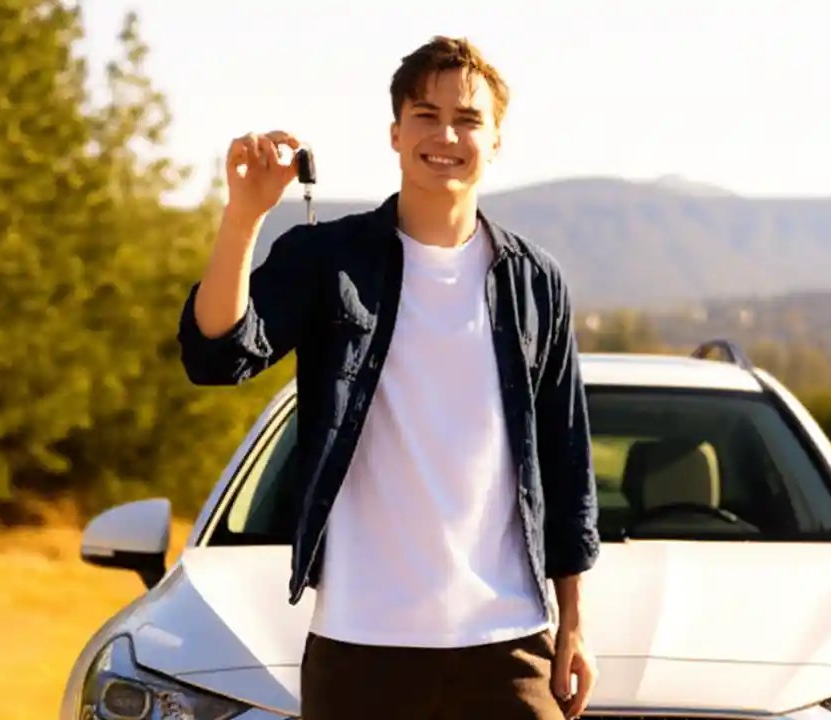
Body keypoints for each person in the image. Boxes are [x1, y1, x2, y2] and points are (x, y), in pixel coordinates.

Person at [175, 35, 600, 719]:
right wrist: (244, 217)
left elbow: (566, 459)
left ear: (496, 141)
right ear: (396, 133)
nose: (446, 134)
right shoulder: (327, 260)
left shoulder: (534, 282)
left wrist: (573, 623)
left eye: (468, 119)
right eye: (426, 116)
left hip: (508, 639)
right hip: (360, 642)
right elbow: (218, 355)